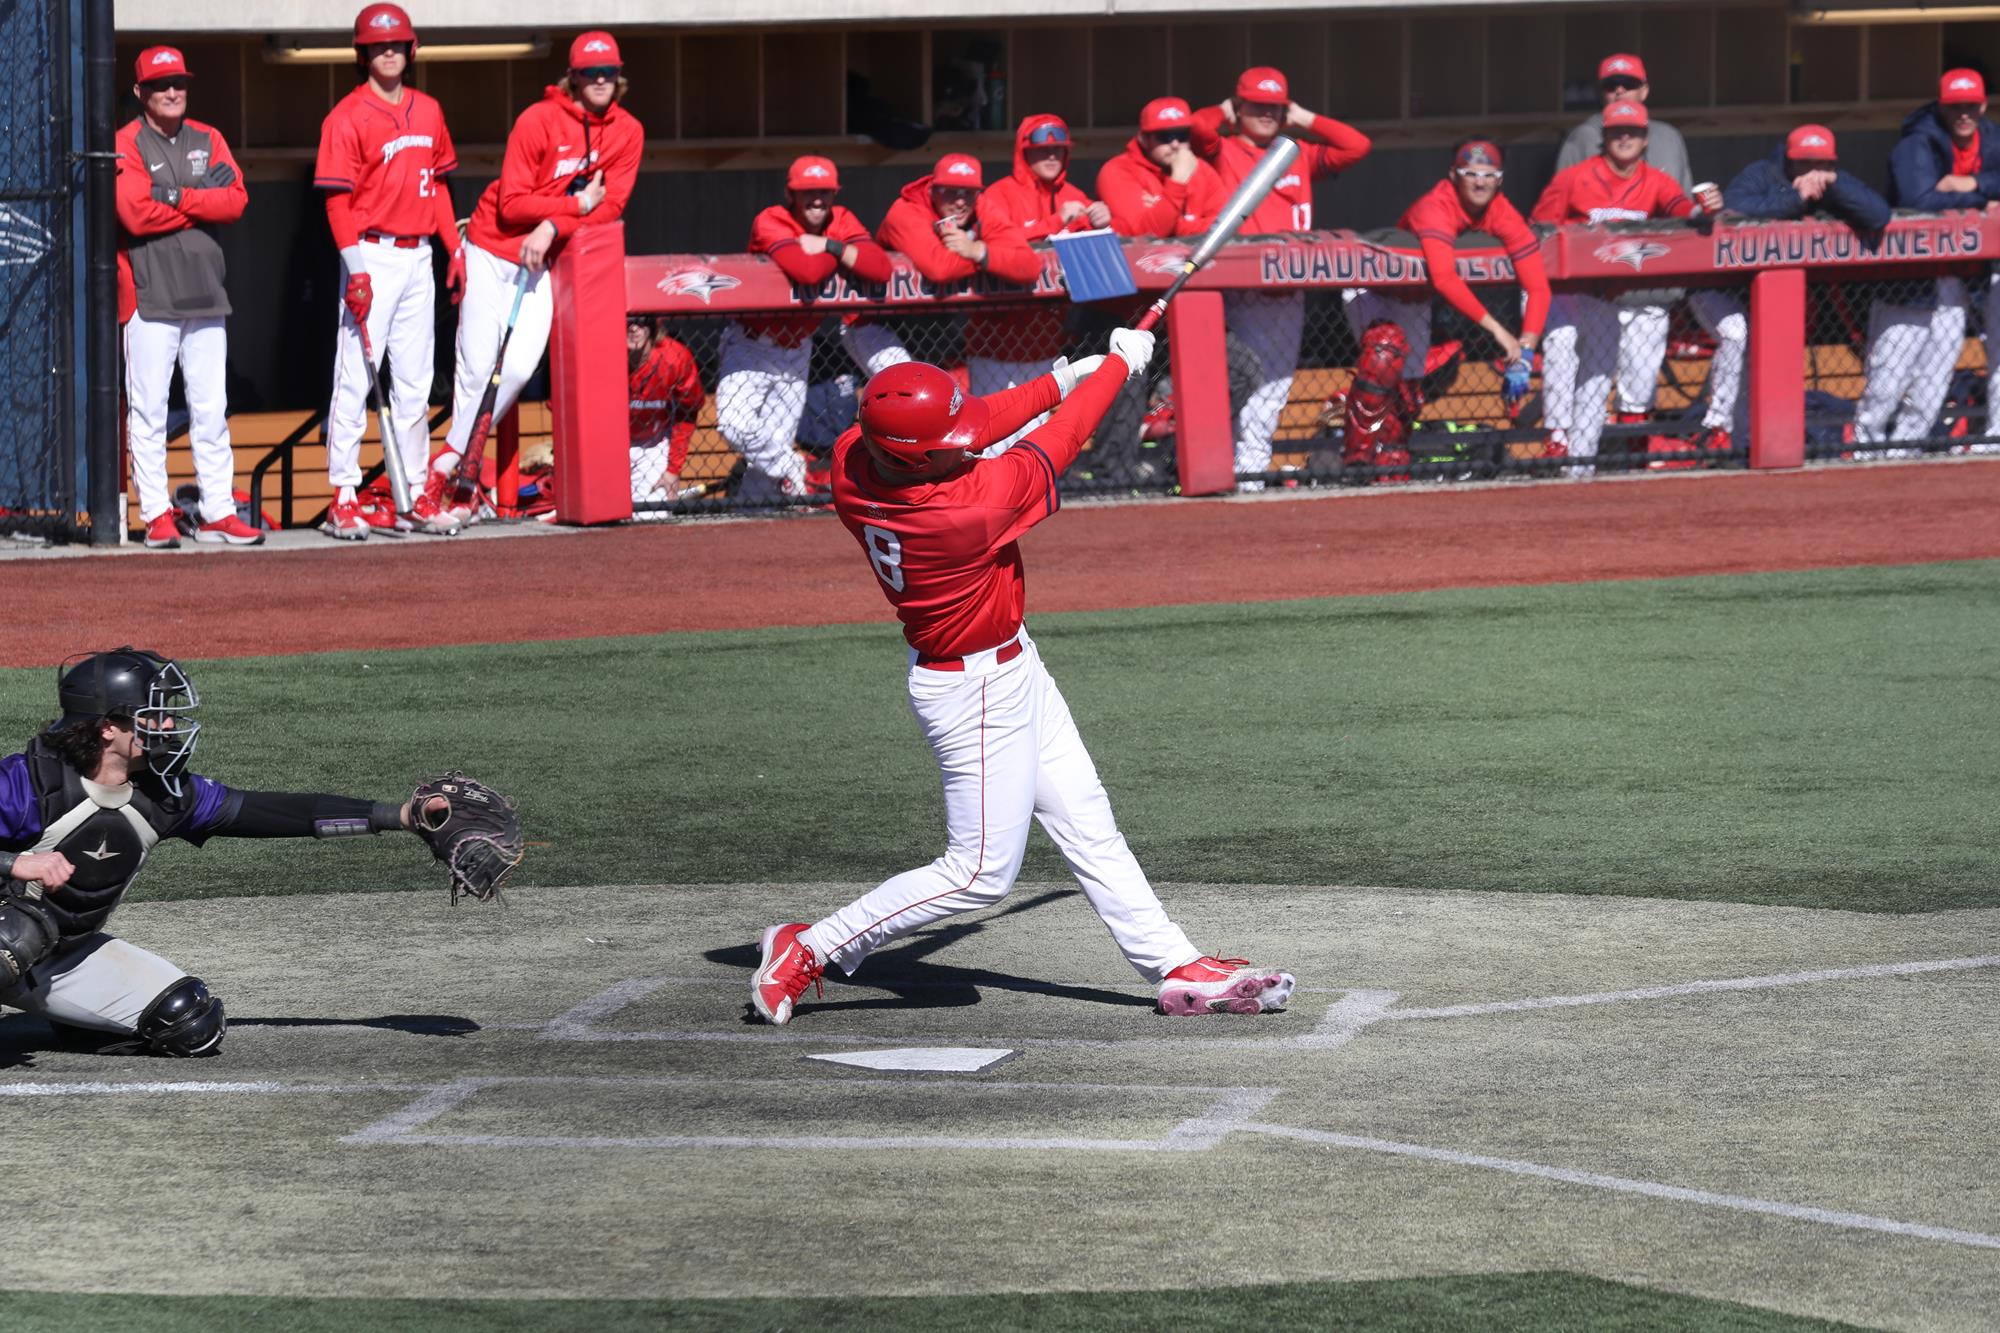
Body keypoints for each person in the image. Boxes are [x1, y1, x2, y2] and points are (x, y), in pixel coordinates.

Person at [749, 336, 1297, 1027]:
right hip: (973, 693)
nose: (966, 444)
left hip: (1012, 665)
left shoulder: (855, 455)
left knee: (1084, 815)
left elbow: (975, 419)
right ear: (916, 455)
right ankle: (811, 944)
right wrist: (1118, 369)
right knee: (978, 874)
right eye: (950, 443)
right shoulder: (966, 511)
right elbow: (1061, 441)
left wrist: (1062, 375)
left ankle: (1172, 962)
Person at [0, 649, 448, 1057]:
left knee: (187, 1021)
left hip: (57, 953)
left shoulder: (165, 796)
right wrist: (15, 862)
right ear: (108, 728)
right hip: (8, 935)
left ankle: (66, 1014)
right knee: (13, 932)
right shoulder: (28, 785)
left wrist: (403, 816)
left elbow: (276, 812)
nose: (169, 725)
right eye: (152, 716)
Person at [431, 31, 645, 523]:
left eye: (608, 72)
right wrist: (576, 205)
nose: (599, 81)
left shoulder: (627, 131)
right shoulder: (539, 119)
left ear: (619, 77)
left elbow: (611, 206)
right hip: (491, 246)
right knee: (477, 372)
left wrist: (553, 224)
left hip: (542, 255)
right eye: (590, 73)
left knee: (521, 368)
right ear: (572, 77)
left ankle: (442, 465)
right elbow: (512, 203)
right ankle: (461, 492)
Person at [314, 3, 465, 540]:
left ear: (411, 49)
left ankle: (414, 496)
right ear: (362, 54)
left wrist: (455, 248)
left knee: (415, 383)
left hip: (419, 253)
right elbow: (336, 202)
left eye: (397, 44)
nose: (389, 52)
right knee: (355, 378)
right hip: (370, 253)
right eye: (379, 45)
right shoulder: (346, 116)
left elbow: (440, 187)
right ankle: (344, 496)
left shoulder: (429, 110)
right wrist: (355, 271)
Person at [1191, 66, 1372, 488]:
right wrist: (1227, 111)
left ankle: (1249, 474)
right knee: (1241, 381)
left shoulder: (1297, 151)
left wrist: (1304, 118)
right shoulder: (1225, 149)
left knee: (1274, 387)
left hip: (1287, 293)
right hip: (1239, 291)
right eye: (1257, 105)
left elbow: (1357, 146)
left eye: (1275, 107)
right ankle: (1232, 470)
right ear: (1240, 107)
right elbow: (1198, 127)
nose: (1267, 114)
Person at [114, 48, 258, 550]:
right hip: (150, 294)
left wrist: (173, 195)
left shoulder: (208, 137)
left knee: (211, 408)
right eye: (159, 84)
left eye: (177, 82)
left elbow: (236, 200)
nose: (171, 91)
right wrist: (200, 201)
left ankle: (218, 508)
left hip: (206, 292)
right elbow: (134, 215)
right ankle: (156, 513)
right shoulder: (126, 142)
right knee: (149, 410)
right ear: (140, 93)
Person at [1531, 101, 1721, 473]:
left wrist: (1705, 211)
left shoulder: (1655, 181)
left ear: (1645, 139)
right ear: (1604, 137)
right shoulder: (1574, 178)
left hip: (1606, 295)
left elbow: (1681, 209)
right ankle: (1556, 437)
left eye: (1632, 131)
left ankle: (1578, 466)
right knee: (1563, 343)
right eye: (1617, 131)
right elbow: (1539, 230)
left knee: (1598, 374)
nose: (1624, 138)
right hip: (1563, 289)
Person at [1343, 139, 1551, 463]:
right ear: (1454, 175)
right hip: (1373, 291)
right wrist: (1499, 330)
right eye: (1470, 173)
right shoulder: (1436, 205)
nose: (1480, 182)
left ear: (1500, 179)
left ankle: (1391, 460)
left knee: (1408, 395)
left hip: (1415, 300)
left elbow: (1538, 288)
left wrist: (1526, 348)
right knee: (1384, 355)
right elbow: (1444, 278)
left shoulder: (1502, 210)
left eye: (1488, 174)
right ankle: (1356, 461)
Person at [1692, 127, 1890, 457]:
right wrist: (1795, 198)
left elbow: (1879, 214)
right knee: (1736, 336)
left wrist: (1834, 184)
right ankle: (1719, 428)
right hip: (1717, 287)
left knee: (1756, 368)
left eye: (1822, 163)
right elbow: (1735, 209)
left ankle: (1742, 446)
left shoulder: (1830, 181)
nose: (1812, 170)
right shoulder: (1761, 174)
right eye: (1804, 163)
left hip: (1763, 295)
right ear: (1788, 159)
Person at [717, 155, 890, 503]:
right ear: (790, 194)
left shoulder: (841, 220)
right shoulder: (772, 219)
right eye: (807, 192)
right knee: (733, 424)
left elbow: (881, 268)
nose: (817, 200)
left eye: (824, 192)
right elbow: (806, 272)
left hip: (797, 348)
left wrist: (830, 245)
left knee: (770, 448)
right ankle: (788, 465)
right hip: (750, 344)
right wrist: (843, 254)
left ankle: (754, 525)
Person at [1554, 54, 1694, 447]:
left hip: (1649, 288)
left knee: (1638, 390)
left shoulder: (1668, 139)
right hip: (1596, 292)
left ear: (1645, 90)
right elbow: (1556, 220)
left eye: (1628, 84)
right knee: (1590, 385)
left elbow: (1683, 214)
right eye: (1611, 85)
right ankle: (1575, 465)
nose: (1619, 91)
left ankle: (1629, 470)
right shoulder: (1583, 138)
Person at [1855, 71, 2000, 450]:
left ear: (1983, 105)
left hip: (1966, 276)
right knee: (1890, 373)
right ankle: (1864, 448)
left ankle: (1908, 448)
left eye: (1971, 106)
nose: (1963, 114)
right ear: (1941, 106)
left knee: (1937, 373)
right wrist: (1983, 200)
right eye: (1955, 106)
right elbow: (1917, 198)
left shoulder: (1992, 137)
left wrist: (1971, 184)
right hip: (1914, 276)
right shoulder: (1917, 143)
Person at [967, 115, 1110, 450]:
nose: (1051, 156)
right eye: (1042, 150)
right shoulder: (998, 195)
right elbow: (1003, 243)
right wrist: (1056, 221)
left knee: (1034, 443)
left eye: (1058, 150)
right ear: (1024, 153)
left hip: (1046, 343)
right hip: (994, 346)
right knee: (992, 442)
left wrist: (1101, 221)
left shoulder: (1075, 196)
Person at [842, 153, 1041, 384]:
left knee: (956, 404)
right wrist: (993, 258)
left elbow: (1029, 266)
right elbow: (939, 269)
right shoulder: (906, 210)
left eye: (968, 192)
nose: (960, 201)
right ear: (932, 190)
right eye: (951, 191)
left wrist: (979, 251)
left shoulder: (982, 207)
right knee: (911, 394)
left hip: (932, 327)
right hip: (872, 322)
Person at [1096, 97, 1227, 239]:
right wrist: (1178, 181)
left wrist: (1172, 222)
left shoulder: (1202, 170)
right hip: (1143, 260)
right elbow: (1145, 236)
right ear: (1144, 139)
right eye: (1165, 136)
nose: (1175, 144)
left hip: (1199, 260)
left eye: (1182, 135)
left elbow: (1226, 227)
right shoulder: (1118, 170)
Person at [627, 316, 704, 507]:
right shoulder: (598, 354)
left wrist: (673, 469)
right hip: (606, 447)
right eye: (626, 321)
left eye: (642, 320)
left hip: (652, 444)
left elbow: (688, 411)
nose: (634, 327)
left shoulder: (674, 357)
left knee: (652, 516)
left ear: (654, 325)